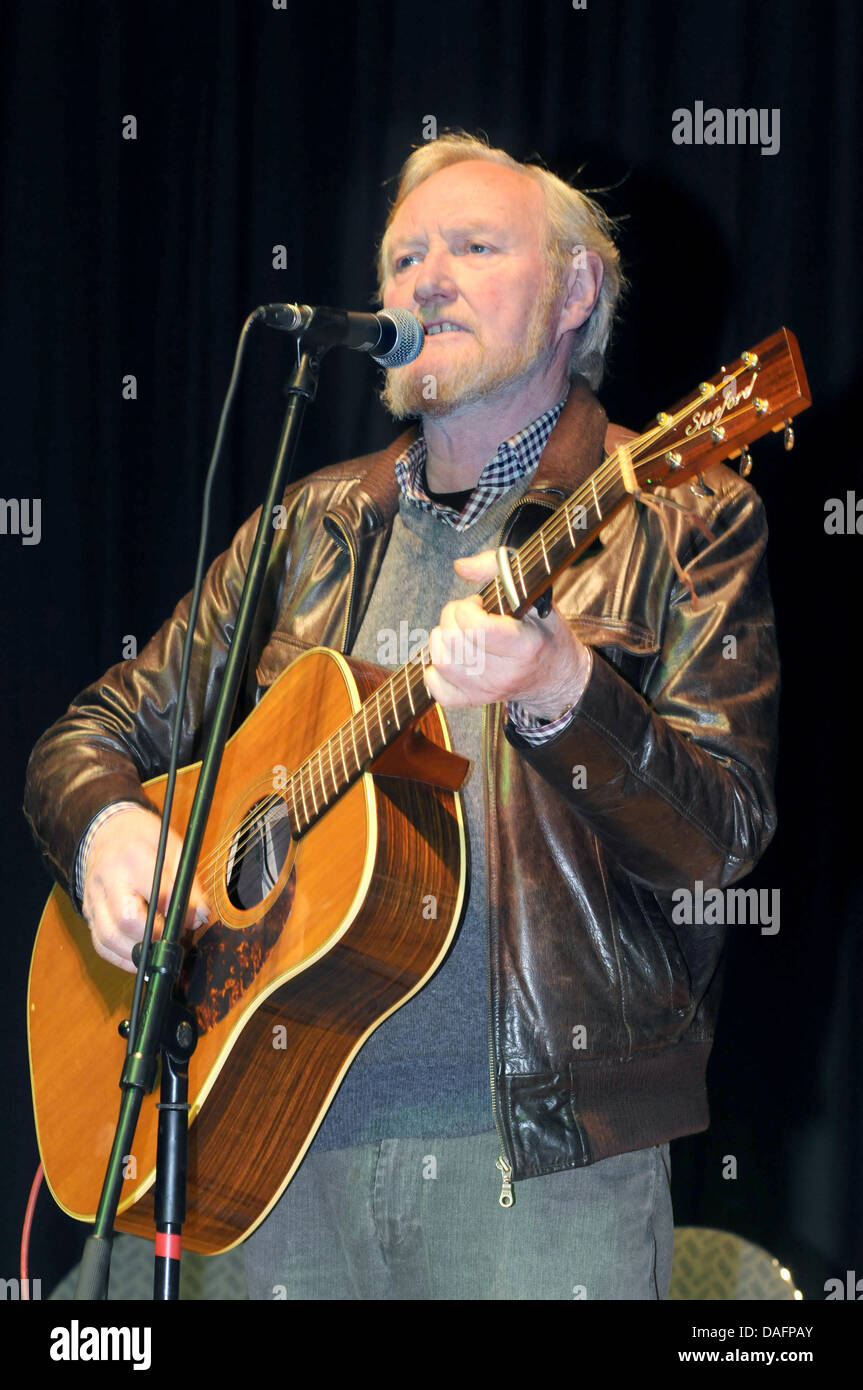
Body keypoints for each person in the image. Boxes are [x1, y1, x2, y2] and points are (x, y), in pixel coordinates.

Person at [24, 133, 779, 1301]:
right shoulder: (307, 526)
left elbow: (719, 839)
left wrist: (558, 691)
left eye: (474, 247)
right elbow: (90, 735)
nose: (425, 279)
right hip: (265, 1149)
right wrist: (103, 831)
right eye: (402, 257)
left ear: (574, 290)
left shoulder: (682, 517)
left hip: (535, 1169)